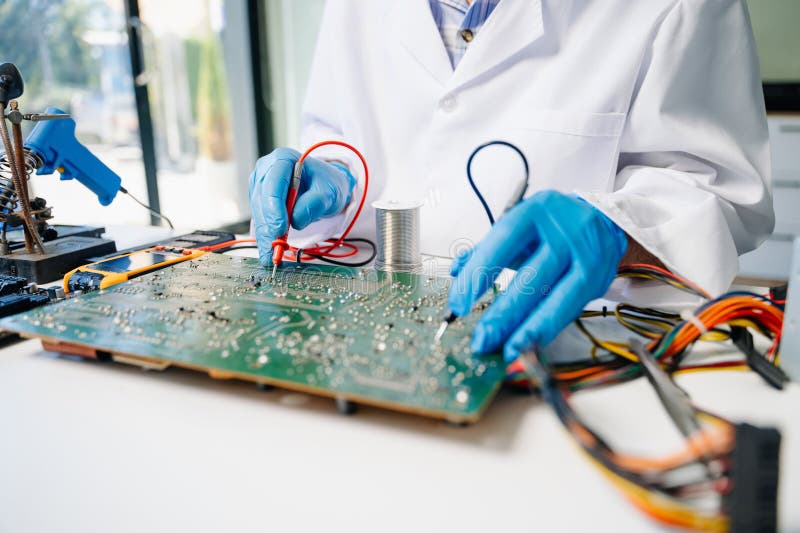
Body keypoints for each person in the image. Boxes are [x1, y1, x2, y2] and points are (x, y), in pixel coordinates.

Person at [249, 0, 773, 362]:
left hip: (583, 347)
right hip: (371, 338)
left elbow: (721, 189)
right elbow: (339, 125)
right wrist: (336, 175)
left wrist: (620, 229)